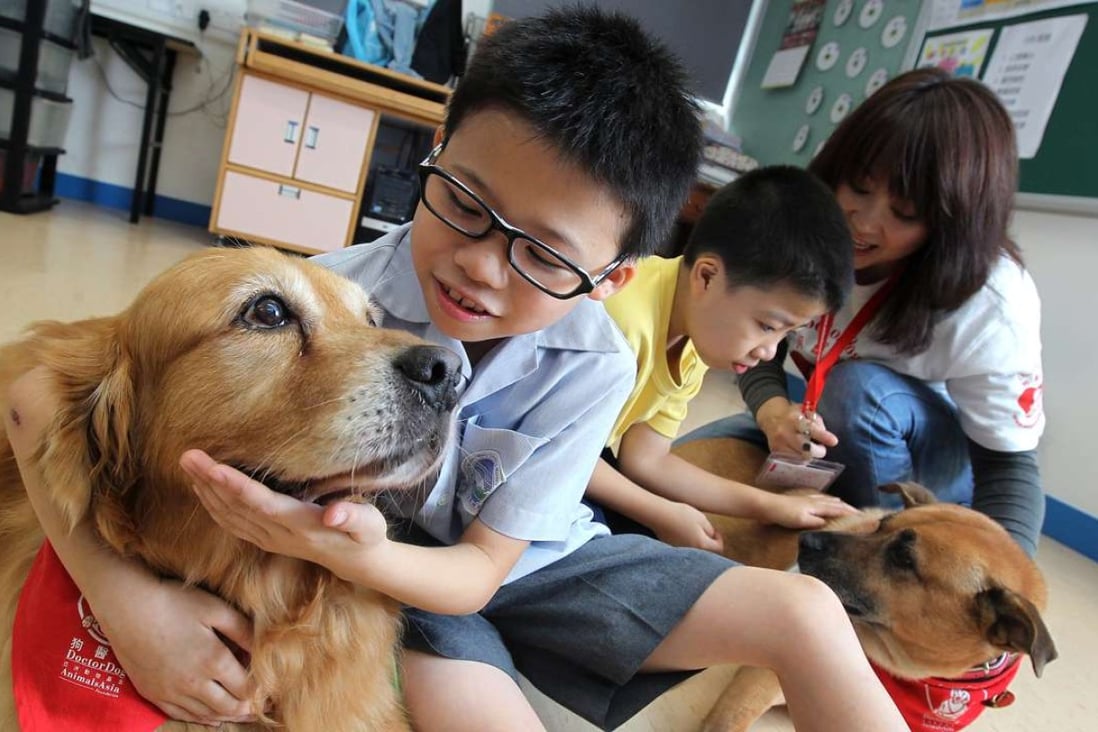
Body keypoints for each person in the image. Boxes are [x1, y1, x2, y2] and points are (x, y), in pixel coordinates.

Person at [4, 9, 907, 732]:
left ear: (613, 280)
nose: (483, 265)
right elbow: (41, 385)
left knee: (811, 616)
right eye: (466, 203)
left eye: (547, 255)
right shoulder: (335, 287)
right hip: (385, 563)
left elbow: (484, 570)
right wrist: (119, 592)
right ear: (432, 155)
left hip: (505, 560)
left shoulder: (595, 358)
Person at [680, 67, 1045, 557]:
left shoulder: (991, 305)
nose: (865, 222)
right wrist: (771, 413)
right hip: (820, 437)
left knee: (858, 392)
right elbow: (761, 342)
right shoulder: (807, 229)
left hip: (923, 465)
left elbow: (1010, 468)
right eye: (857, 187)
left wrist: (1005, 574)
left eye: (906, 213)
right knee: (684, 470)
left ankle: (887, 549)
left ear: (950, 223)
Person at [586, 166, 858, 552]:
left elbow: (646, 460)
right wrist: (659, 512)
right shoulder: (621, 325)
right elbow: (554, 449)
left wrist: (771, 506)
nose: (769, 351)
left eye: (786, 334)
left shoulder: (695, 336)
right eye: (767, 325)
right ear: (708, 277)